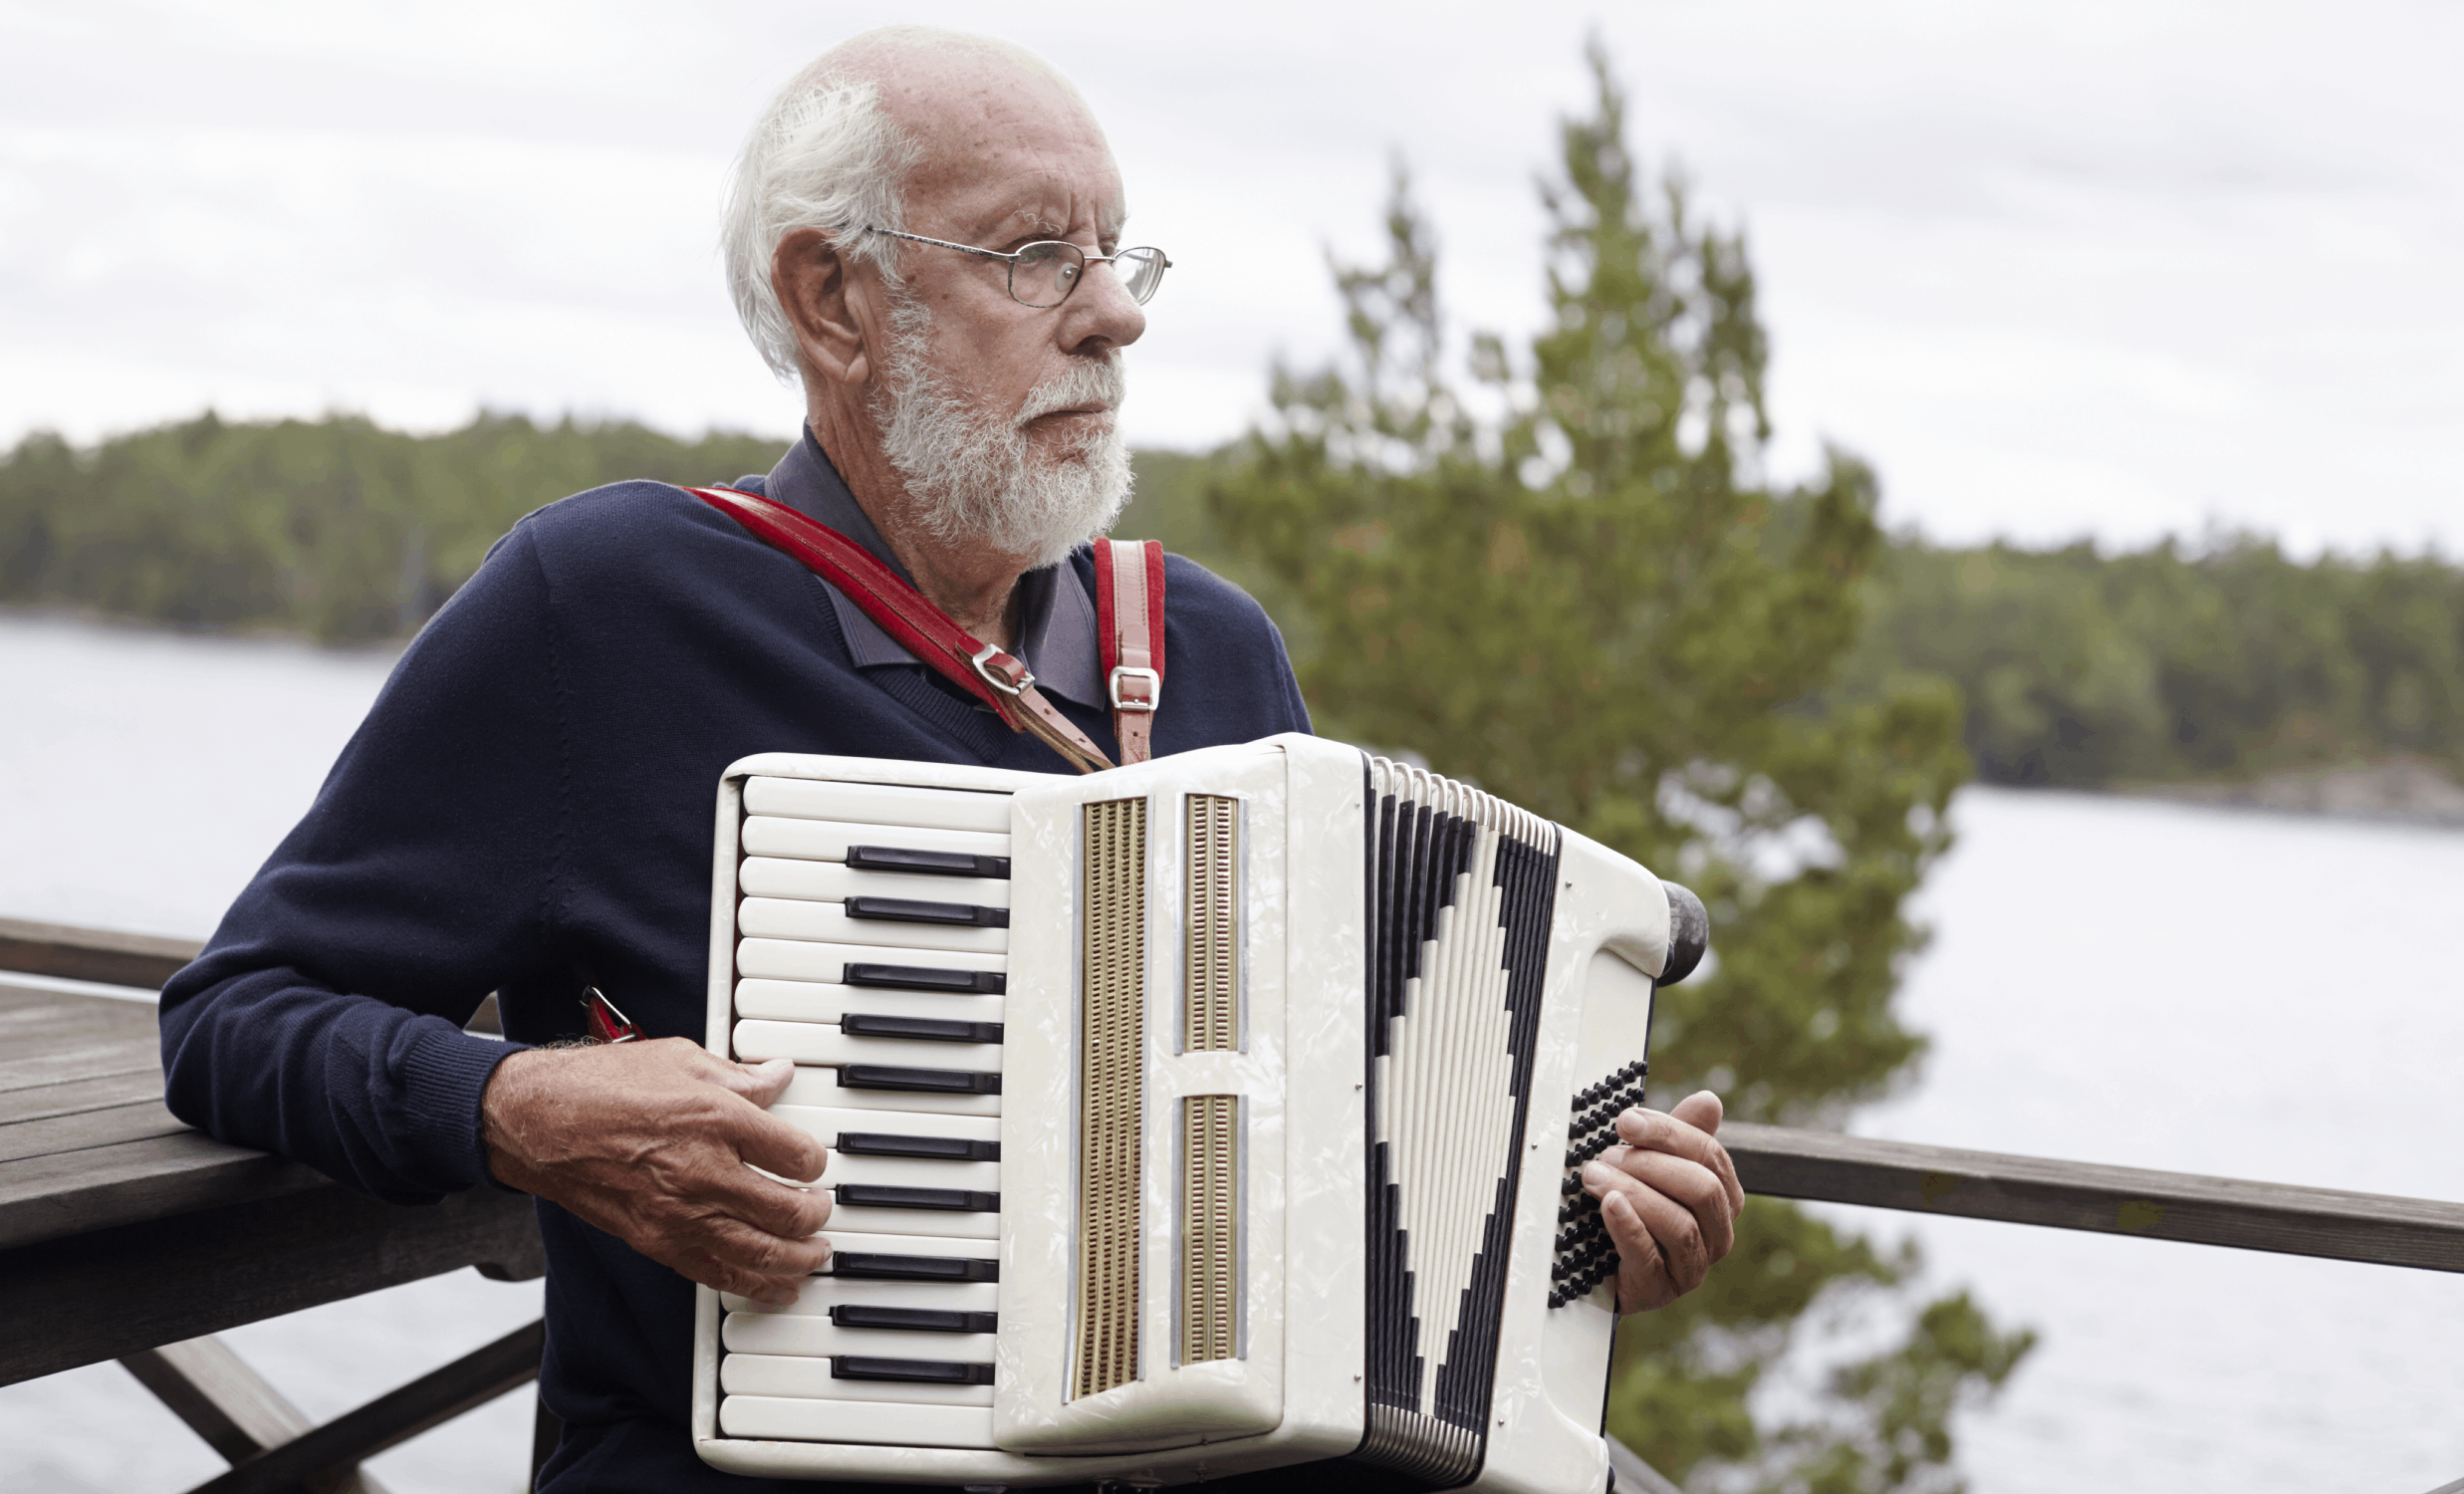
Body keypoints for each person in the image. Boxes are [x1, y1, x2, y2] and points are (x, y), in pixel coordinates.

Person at [158, 25, 1744, 1493]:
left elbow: (1328, 1165)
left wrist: (1575, 1223)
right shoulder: (607, 606)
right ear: (834, 301)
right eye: (1036, 254)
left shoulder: (1208, 649)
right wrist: (523, 1107)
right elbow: (237, 1020)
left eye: (1117, 255)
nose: (1114, 311)